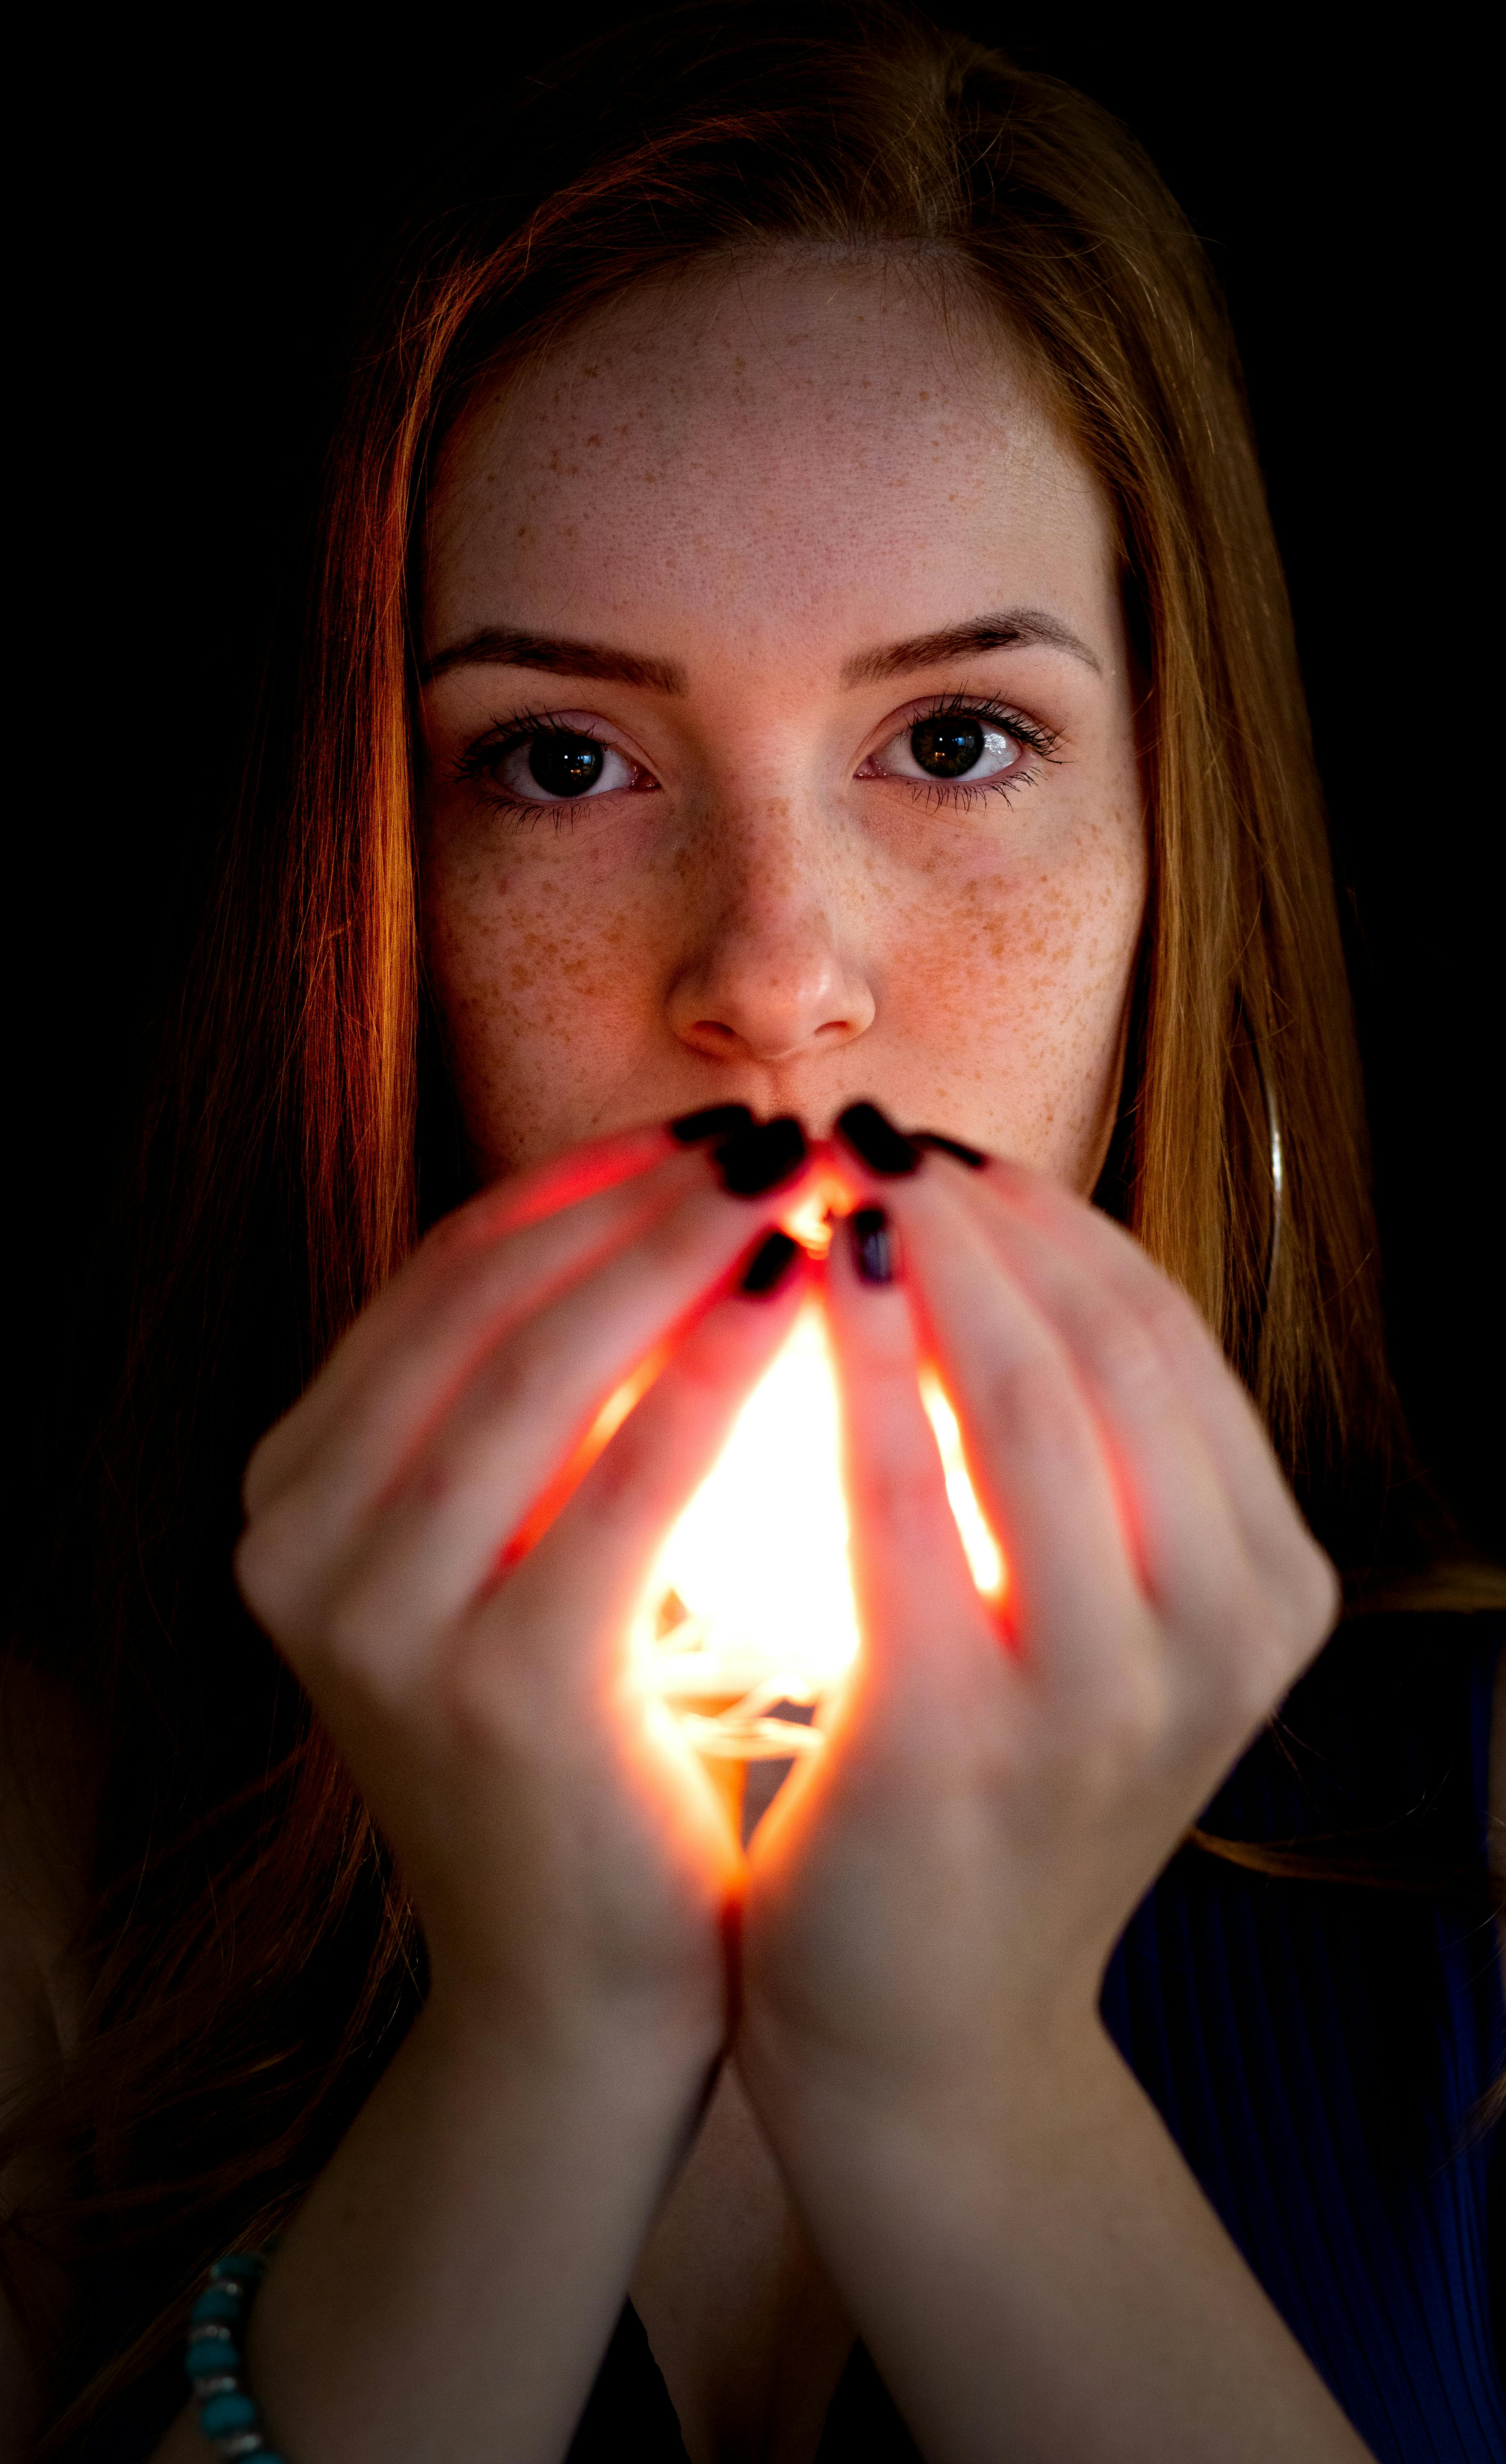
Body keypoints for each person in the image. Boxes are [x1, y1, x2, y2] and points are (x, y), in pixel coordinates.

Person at [3, 8, 1501, 2460]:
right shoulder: (54, 1846)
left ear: (1173, 843)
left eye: (952, 741)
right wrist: (546, 2045)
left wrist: (967, 2093)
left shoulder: (1480, 1846)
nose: (773, 979)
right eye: (566, 763)